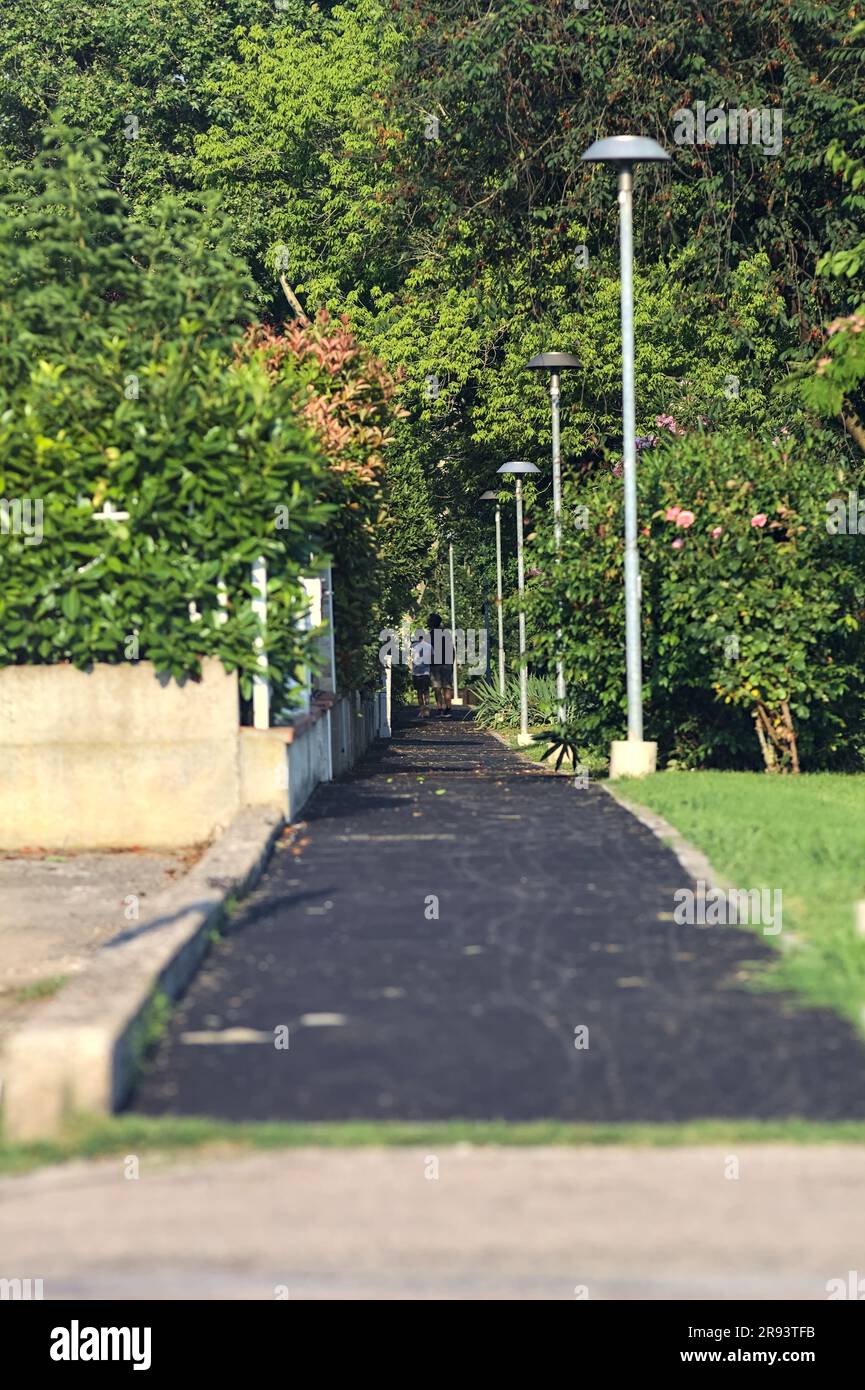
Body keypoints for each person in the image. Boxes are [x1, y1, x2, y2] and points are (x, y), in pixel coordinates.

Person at [428, 611, 454, 716]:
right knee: (447, 686)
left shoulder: (429, 635)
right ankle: (448, 708)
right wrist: (452, 662)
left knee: (437, 687)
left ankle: (439, 709)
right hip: (446, 663)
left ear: (433, 623)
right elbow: (452, 649)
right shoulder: (446, 634)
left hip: (435, 664)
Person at [410, 628, 433, 718]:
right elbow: (432, 657)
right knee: (426, 691)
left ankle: (421, 710)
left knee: (419, 692)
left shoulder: (413, 646)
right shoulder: (429, 646)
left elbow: (410, 658)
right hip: (426, 671)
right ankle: (426, 709)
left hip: (416, 672)